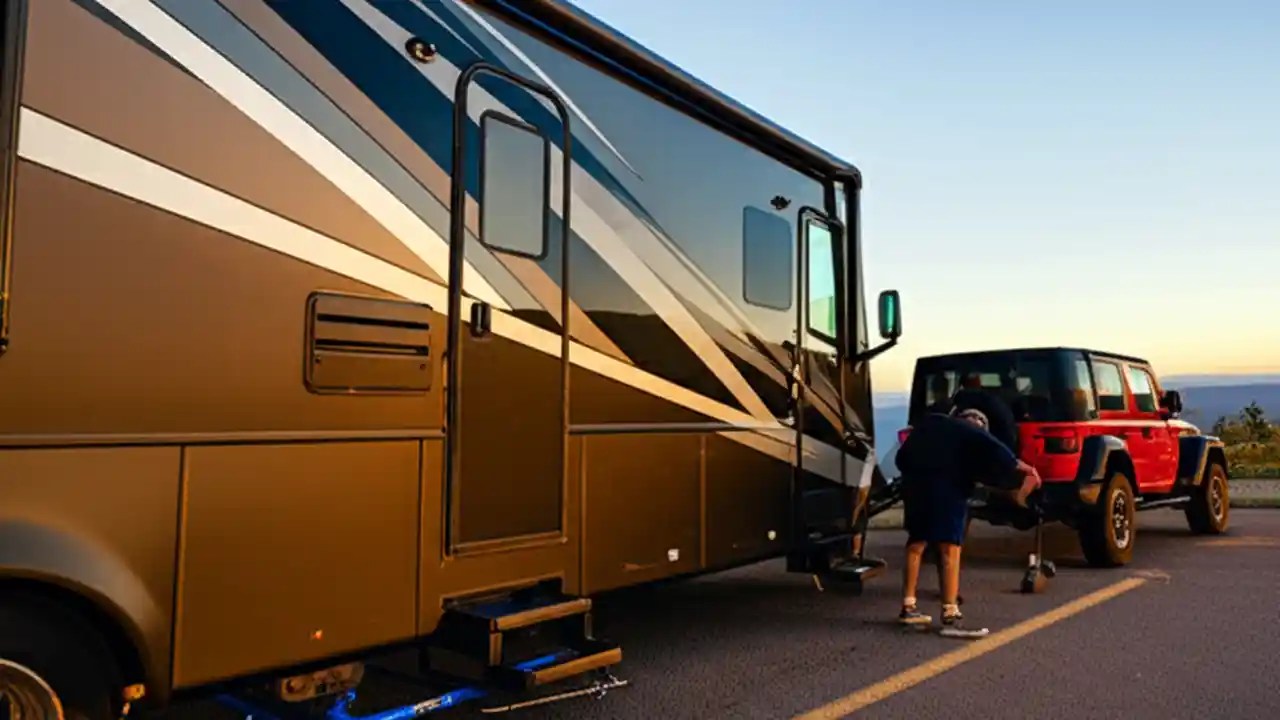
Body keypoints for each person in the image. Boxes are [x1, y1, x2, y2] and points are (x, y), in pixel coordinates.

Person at [894, 406, 1041, 632]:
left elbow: (901, 459)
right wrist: (1029, 470)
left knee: (916, 544)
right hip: (947, 491)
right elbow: (1002, 455)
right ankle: (951, 612)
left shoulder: (931, 424)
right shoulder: (973, 432)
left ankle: (908, 606)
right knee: (949, 549)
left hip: (915, 487)